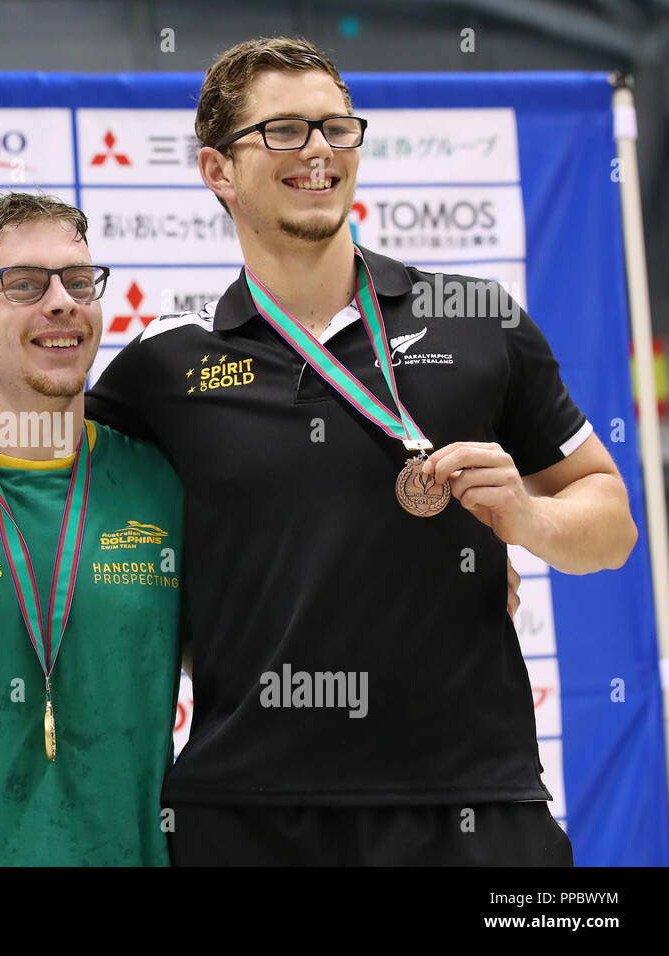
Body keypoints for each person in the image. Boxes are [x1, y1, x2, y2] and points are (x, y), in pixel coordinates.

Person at [84, 37, 637, 866]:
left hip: (476, 805)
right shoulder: (165, 365)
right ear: (217, 171)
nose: (318, 151)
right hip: (246, 814)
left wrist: (529, 519)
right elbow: (76, 536)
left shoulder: (475, 318)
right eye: (283, 131)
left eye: (337, 128)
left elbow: (612, 524)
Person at [0, 193, 185, 865]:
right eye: (24, 284)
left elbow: (228, 673)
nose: (62, 302)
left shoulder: (164, 482)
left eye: (78, 281)